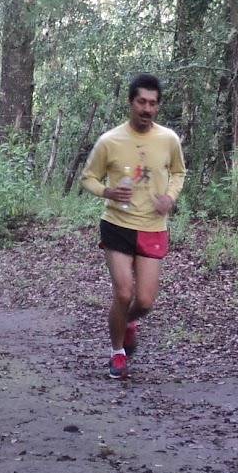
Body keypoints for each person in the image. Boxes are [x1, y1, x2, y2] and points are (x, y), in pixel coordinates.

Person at [80, 73, 186, 380]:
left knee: (144, 301)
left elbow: (179, 172)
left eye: (153, 103)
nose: (147, 109)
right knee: (124, 293)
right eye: (141, 101)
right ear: (130, 102)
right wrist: (107, 192)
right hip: (117, 223)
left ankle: (127, 324)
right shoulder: (110, 141)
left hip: (153, 226)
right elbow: (88, 178)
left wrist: (169, 196)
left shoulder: (168, 139)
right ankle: (117, 353)